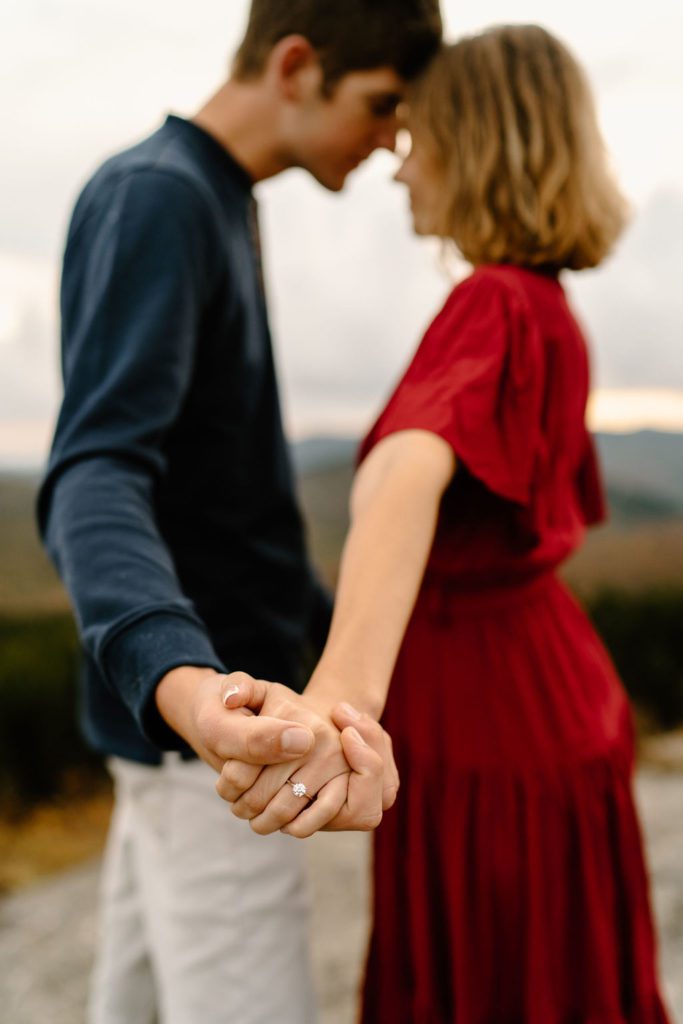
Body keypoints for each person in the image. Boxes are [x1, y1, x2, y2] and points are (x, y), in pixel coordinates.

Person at [222, 24, 673, 1022]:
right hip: (543, 704)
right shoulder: (545, 306)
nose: (399, 168)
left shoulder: (491, 305)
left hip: (492, 732)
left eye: (420, 136)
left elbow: (403, 469)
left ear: (474, 145)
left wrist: (339, 690)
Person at [37, 2, 443, 1022]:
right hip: (228, 734)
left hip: (200, 728)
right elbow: (94, 471)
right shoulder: (161, 200)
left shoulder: (211, 195)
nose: (393, 138)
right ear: (297, 67)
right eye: (381, 104)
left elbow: (226, 503)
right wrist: (186, 686)